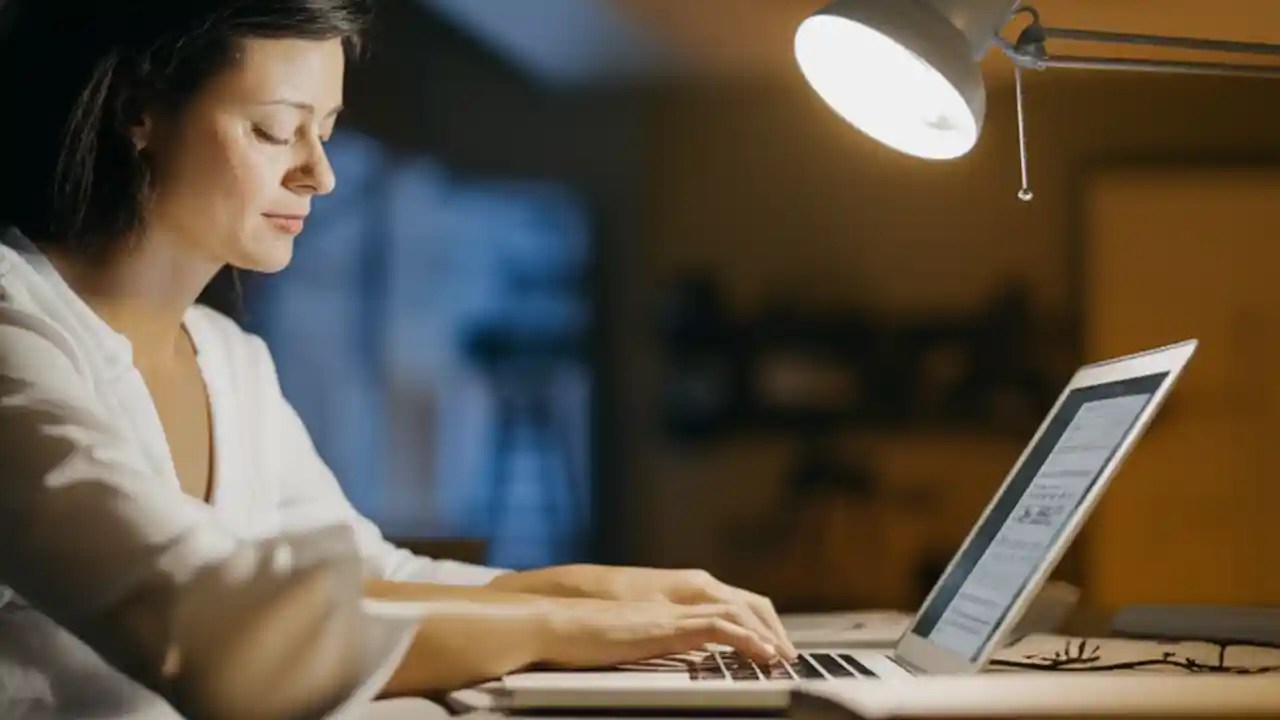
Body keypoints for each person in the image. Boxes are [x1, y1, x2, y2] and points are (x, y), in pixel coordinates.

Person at [0, 1, 796, 717]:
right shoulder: (15, 329)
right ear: (139, 111)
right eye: (276, 129)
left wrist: (618, 592)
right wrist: (572, 623)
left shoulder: (227, 359)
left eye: (328, 131)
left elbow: (365, 575)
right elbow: (222, 635)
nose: (321, 172)